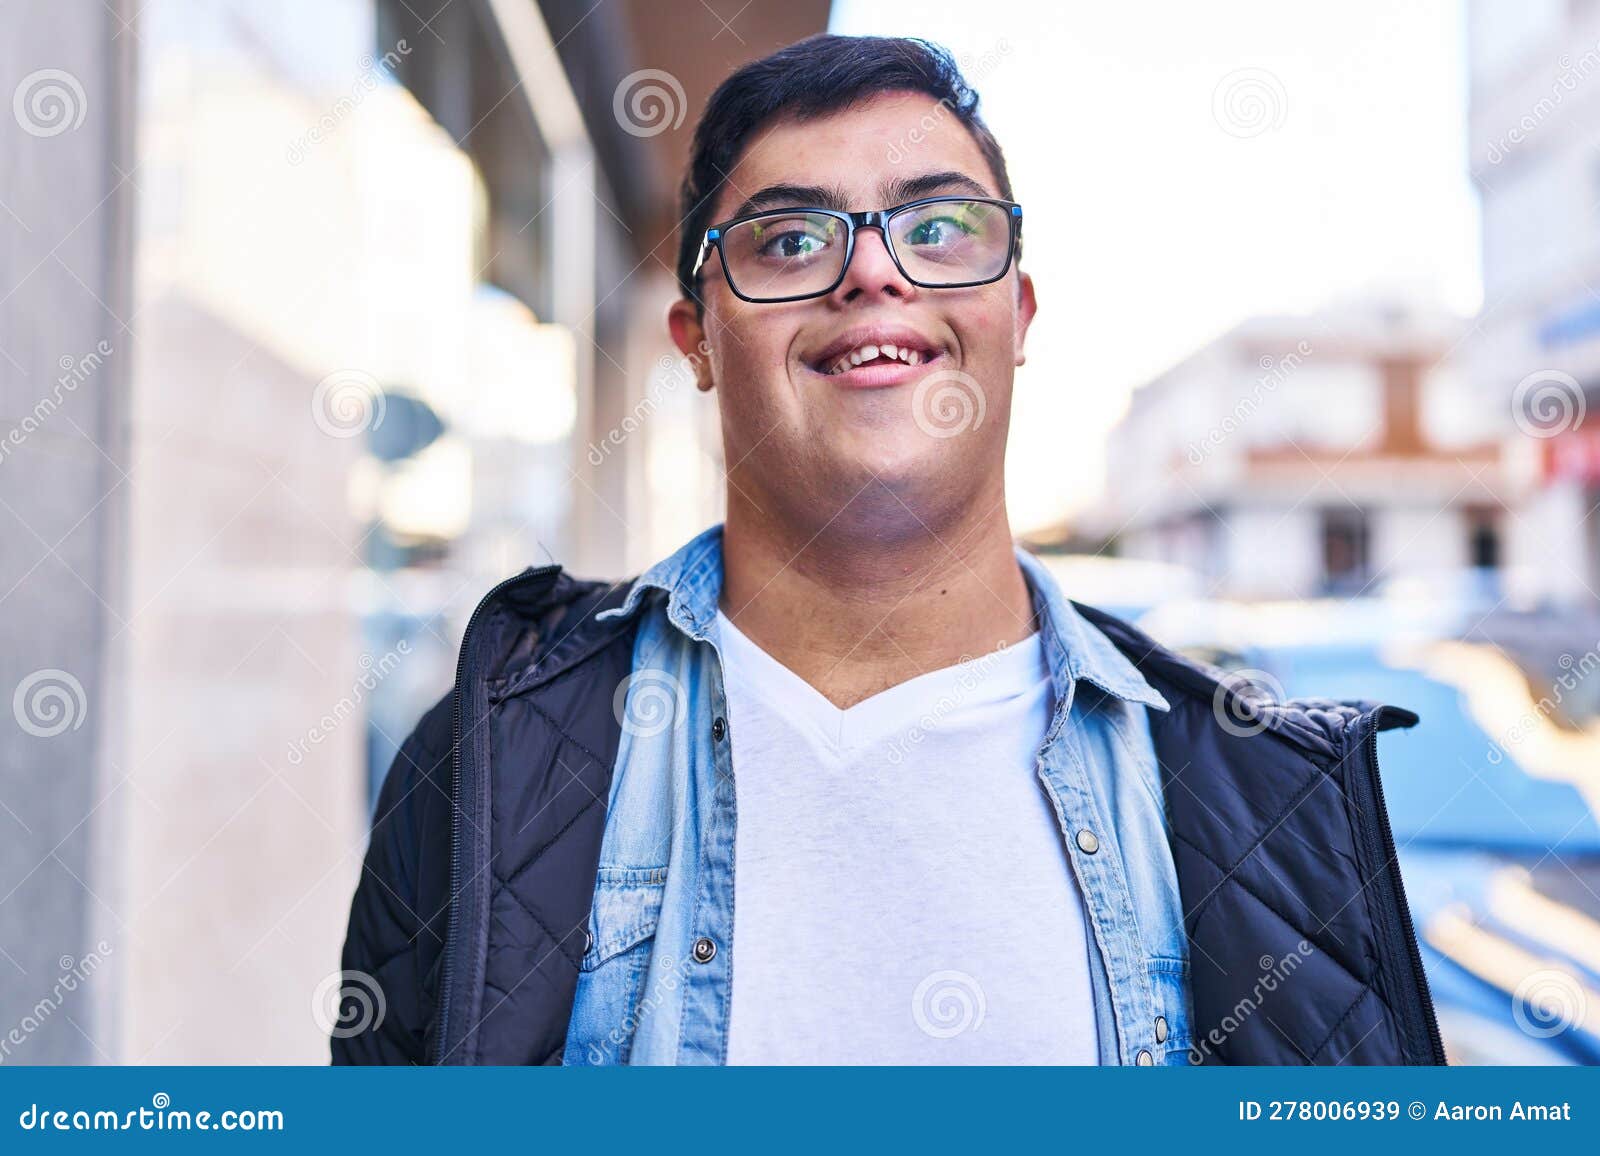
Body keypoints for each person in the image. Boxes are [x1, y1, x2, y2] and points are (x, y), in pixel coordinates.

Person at [333, 34, 1442, 1066]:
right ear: (699, 342)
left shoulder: (1260, 792)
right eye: (790, 239)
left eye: (938, 227)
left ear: (1017, 313)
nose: (873, 274)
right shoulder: (496, 750)